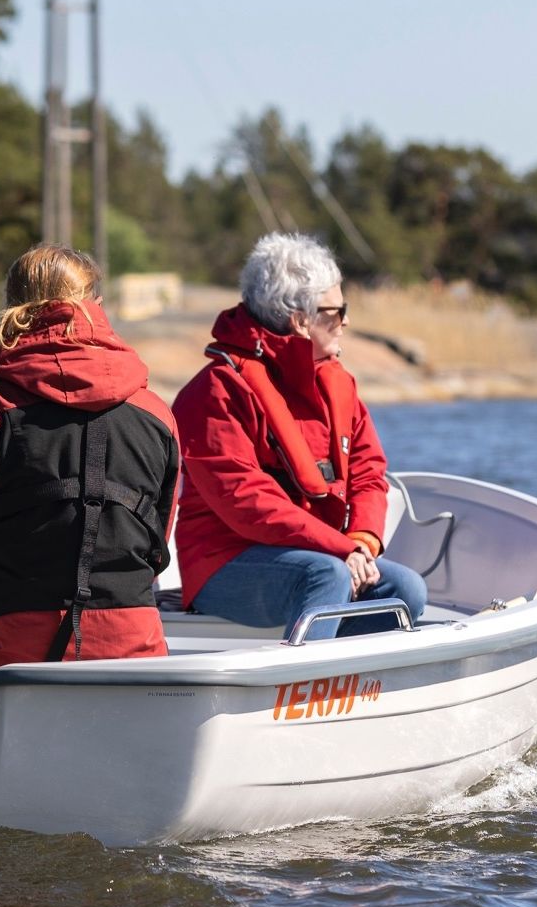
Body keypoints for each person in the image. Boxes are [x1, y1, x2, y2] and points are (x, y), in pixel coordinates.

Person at [0, 244, 180, 674]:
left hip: (13, 643)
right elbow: (157, 541)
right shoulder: (157, 413)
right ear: (96, 306)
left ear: (14, 307)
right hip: (134, 641)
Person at [171, 231, 426, 639]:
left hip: (320, 552)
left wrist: (361, 542)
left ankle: (357, 687)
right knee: (325, 576)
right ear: (300, 320)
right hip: (224, 562)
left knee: (405, 589)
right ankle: (305, 692)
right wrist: (340, 550)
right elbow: (246, 501)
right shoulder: (214, 392)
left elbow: (368, 472)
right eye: (337, 310)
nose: (347, 321)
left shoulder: (338, 385)